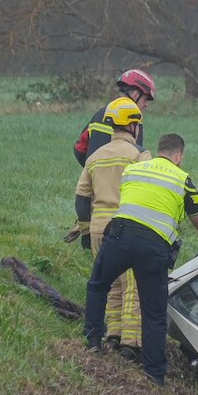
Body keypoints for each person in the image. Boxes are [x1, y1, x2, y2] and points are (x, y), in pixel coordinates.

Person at [84, 133, 198, 385]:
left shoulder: (134, 170)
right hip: (154, 249)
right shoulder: (183, 179)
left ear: (159, 150)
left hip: (120, 236)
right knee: (153, 312)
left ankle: (92, 341)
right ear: (179, 156)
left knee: (98, 285)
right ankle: (154, 375)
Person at [75, 98, 152, 360]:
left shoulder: (94, 157)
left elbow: (82, 199)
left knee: (108, 284)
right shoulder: (140, 156)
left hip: (99, 229)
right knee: (132, 284)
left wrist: (85, 231)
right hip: (126, 226)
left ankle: (113, 335)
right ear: (132, 126)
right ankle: (130, 344)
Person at [74, 69, 155, 166]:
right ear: (136, 95)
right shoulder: (134, 121)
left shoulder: (100, 114)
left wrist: (92, 169)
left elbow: (79, 148)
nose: (146, 105)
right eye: (145, 99)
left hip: (96, 178)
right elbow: (137, 159)